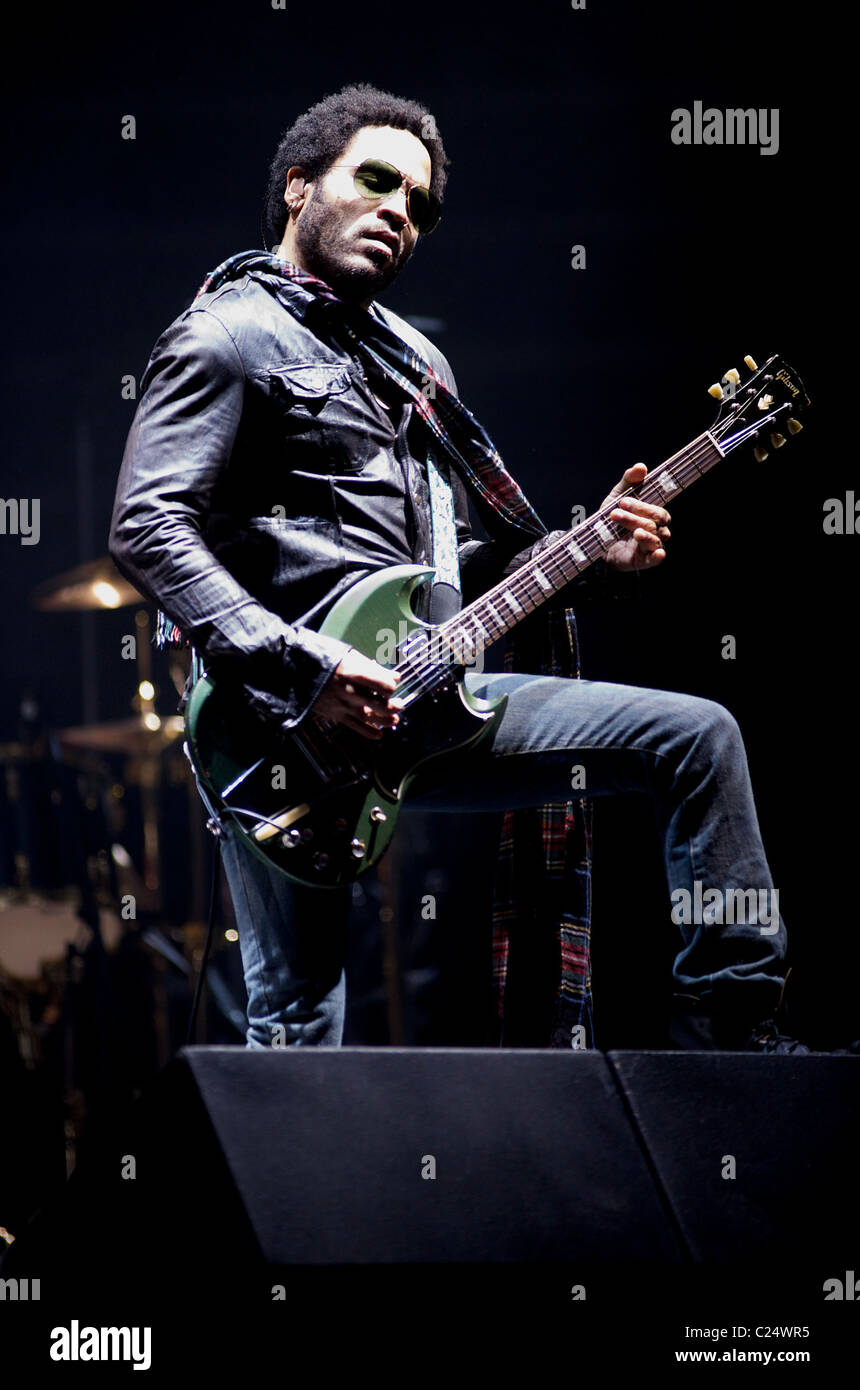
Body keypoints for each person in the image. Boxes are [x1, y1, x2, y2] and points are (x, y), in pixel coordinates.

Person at [109, 82, 807, 1055]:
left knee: (698, 738)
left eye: (419, 206)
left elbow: (469, 563)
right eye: (377, 182)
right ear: (300, 186)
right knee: (300, 1022)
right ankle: (299, 1205)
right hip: (279, 728)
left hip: (437, 693)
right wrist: (306, 671)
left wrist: (594, 558)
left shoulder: (416, 362)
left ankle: (734, 1047)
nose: (399, 212)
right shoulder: (227, 335)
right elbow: (147, 525)